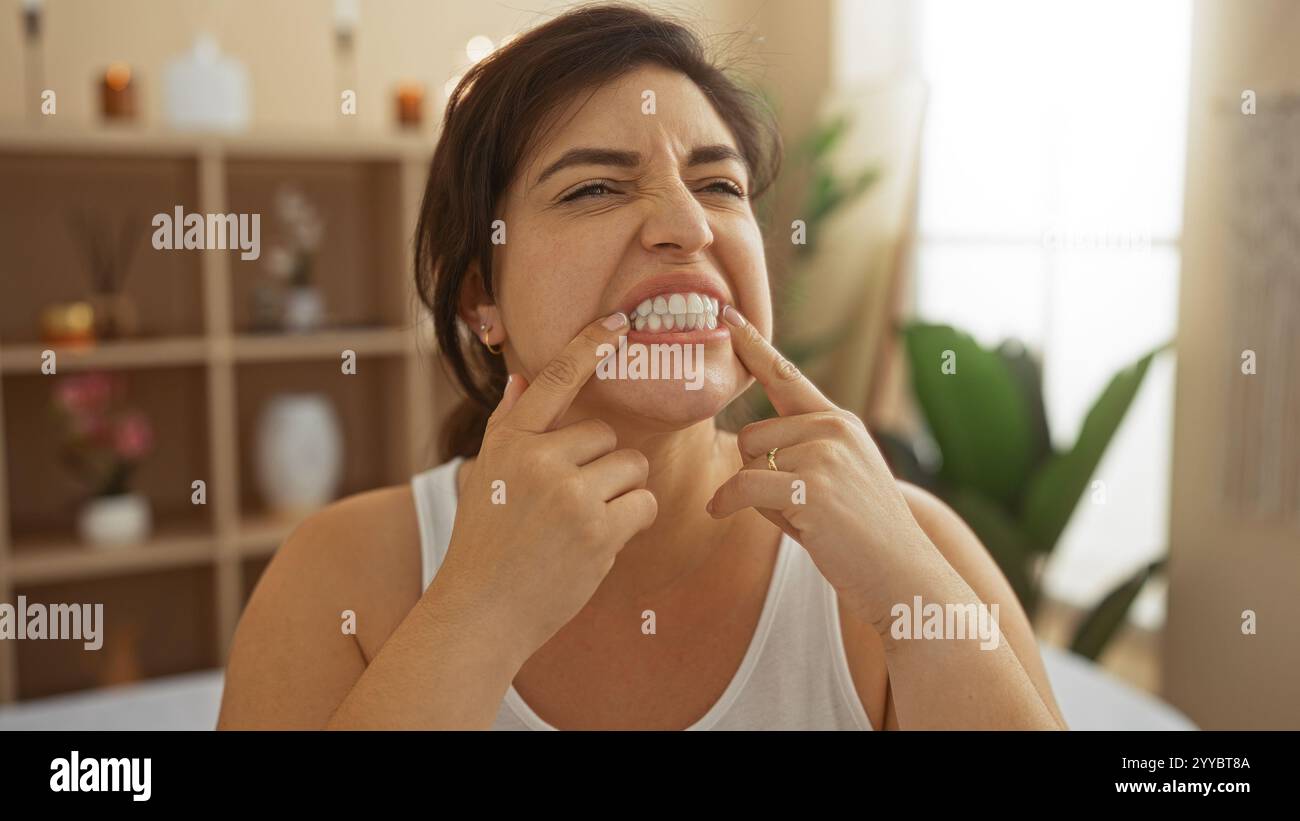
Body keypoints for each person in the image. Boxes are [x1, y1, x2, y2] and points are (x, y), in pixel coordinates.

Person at [218, 3, 1066, 730]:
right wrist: (478, 610)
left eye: (720, 186)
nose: (687, 226)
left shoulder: (914, 548)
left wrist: (909, 589)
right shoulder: (338, 571)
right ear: (484, 296)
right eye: (594, 189)